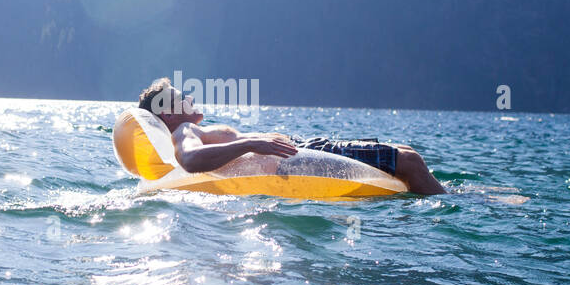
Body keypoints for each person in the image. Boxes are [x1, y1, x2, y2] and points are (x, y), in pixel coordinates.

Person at [136, 77, 446, 195]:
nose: (190, 98)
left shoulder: (191, 128)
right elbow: (191, 161)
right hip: (295, 158)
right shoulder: (183, 131)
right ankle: (454, 208)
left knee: (402, 152)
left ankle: (447, 197)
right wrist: (254, 142)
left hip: (298, 149)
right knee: (409, 160)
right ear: (168, 112)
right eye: (182, 97)